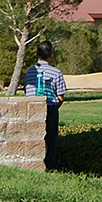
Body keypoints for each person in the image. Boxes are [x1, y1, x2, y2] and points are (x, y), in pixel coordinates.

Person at [24, 40, 67, 168]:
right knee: (51, 139)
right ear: (51, 55)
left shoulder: (29, 72)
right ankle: (49, 165)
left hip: (32, 107)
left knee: (33, 137)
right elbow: (60, 96)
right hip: (50, 107)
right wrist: (54, 107)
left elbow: (27, 91)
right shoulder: (56, 72)